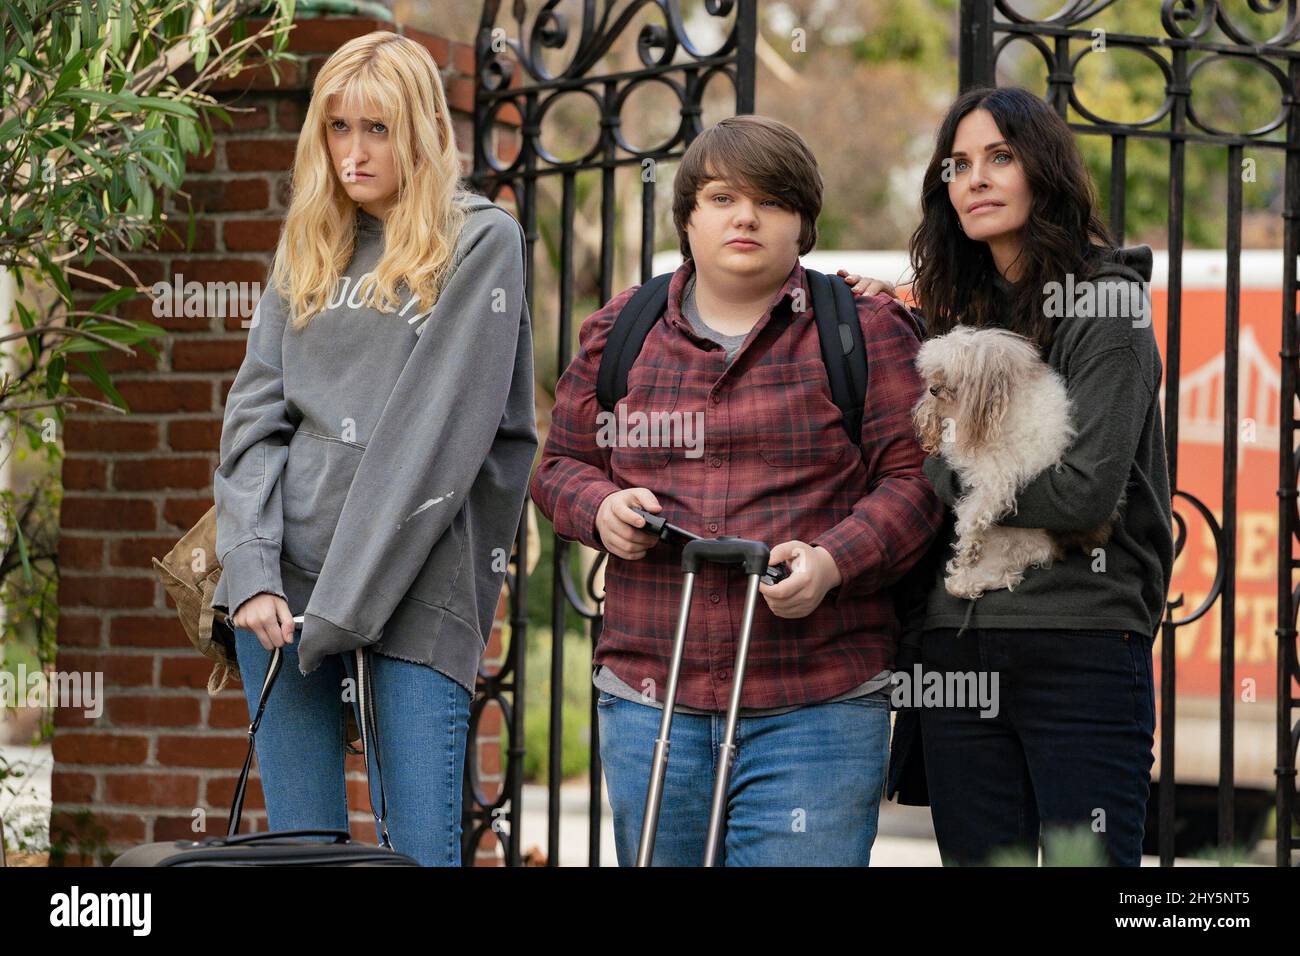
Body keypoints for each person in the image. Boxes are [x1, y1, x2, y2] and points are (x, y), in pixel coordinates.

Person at [529, 115, 943, 866]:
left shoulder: (864, 329)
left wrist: (832, 561)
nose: (745, 216)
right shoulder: (620, 330)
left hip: (817, 706)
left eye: (771, 201)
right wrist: (600, 509)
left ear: (803, 224)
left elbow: (917, 484)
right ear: (688, 217)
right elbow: (557, 466)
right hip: (651, 701)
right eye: (721, 198)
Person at [211, 31, 537, 866]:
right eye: (338, 127)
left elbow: (431, 446)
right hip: (282, 597)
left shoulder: (480, 241)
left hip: (417, 582)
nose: (354, 153)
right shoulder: (310, 241)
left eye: (379, 130)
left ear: (423, 130)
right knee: (304, 851)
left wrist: (341, 615)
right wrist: (248, 570)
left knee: (422, 852)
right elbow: (252, 419)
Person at [843, 86, 1172, 866]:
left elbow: (1085, 492)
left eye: (1001, 157)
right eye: (958, 164)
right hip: (958, 649)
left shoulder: (1108, 309)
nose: (976, 179)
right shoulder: (957, 315)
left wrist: (949, 474)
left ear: (1044, 172)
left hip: (1079, 643)